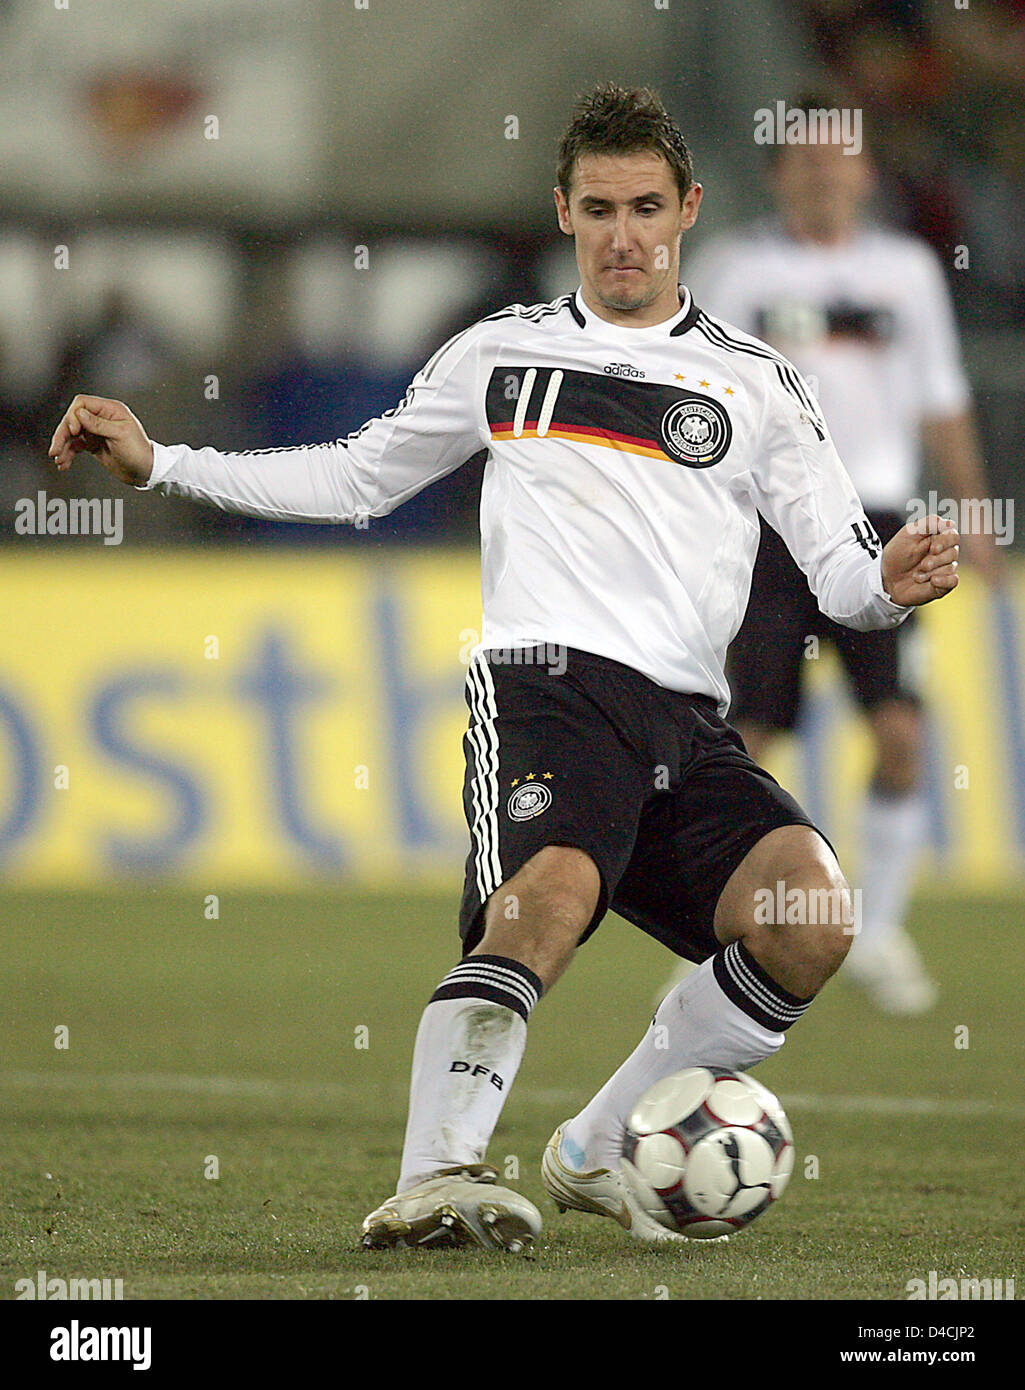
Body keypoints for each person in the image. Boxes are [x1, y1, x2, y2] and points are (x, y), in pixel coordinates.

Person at [48, 84, 960, 1254]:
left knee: (810, 918)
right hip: (545, 687)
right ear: (563, 213)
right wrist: (163, 459)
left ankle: (593, 1146)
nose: (622, 235)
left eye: (644, 208)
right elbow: (352, 477)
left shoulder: (758, 387)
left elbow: (837, 577)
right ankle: (432, 1175)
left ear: (686, 209)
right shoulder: (502, 354)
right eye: (597, 209)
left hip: (688, 723)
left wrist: (890, 580)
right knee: (549, 901)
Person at [681, 94, 1000, 1015]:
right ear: (779, 171)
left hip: (881, 526)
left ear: (863, 172)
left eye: (839, 161)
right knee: (751, 740)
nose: (824, 176)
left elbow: (940, 401)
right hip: (772, 529)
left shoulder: (903, 272)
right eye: (806, 162)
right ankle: (731, 931)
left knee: (899, 731)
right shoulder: (735, 271)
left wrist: (973, 514)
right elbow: (695, 404)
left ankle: (881, 926)